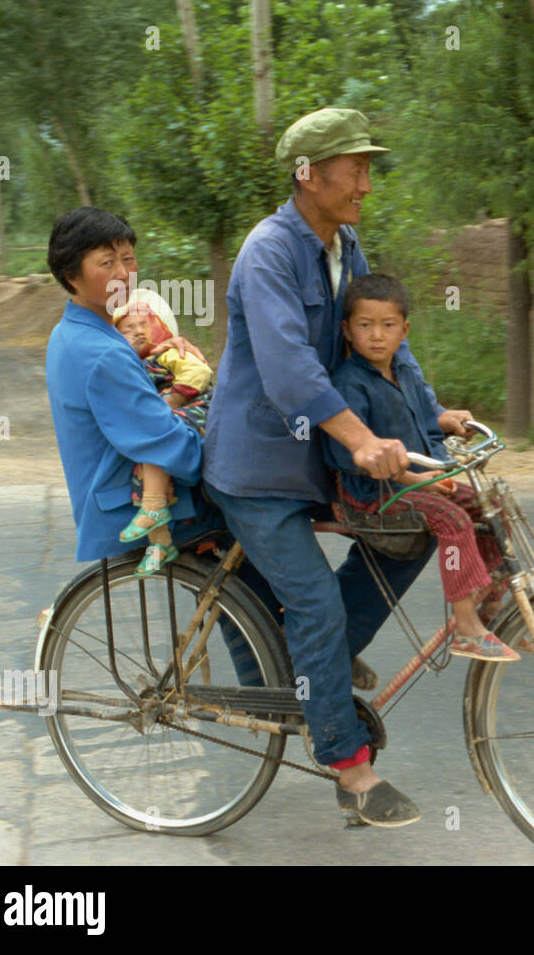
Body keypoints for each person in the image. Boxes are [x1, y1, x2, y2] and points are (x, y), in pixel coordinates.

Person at [202, 108, 474, 828]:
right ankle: (350, 768)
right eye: (353, 168)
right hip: (258, 464)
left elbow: (385, 343)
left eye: (366, 167)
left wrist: (432, 413)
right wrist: (360, 439)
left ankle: (316, 672)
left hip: (315, 456)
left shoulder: (344, 243)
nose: (365, 182)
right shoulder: (268, 251)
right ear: (308, 174)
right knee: (317, 603)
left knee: (412, 531)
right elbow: (289, 368)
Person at [44, 208, 278, 682]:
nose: (123, 274)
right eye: (105, 263)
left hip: (117, 489)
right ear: (71, 274)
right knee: (278, 507)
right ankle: (302, 653)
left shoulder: (77, 333)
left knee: (251, 536)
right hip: (129, 505)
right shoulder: (102, 351)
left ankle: (271, 664)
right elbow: (165, 441)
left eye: (128, 260)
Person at [325, 273, 524, 662]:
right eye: (365, 326)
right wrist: (418, 481)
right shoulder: (350, 385)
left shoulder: (405, 371)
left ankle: (490, 599)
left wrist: (446, 418)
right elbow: (353, 454)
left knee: (491, 505)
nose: (377, 336)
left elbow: (422, 413)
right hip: (375, 494)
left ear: (405, 330)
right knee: (453, 520)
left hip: (420, 482)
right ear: (347, 331)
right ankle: (465, 626)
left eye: (388, 326)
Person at [111, 300, 216, 575]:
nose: (137, 332)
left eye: (143, 325)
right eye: (127, 329)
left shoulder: (166, 353)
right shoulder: (134, 363)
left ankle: (155, 510)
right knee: (143, 472)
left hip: (197, 409)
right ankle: (161, 543)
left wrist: (172, 400)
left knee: (155, 439)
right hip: (172, 416)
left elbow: (200, 372)